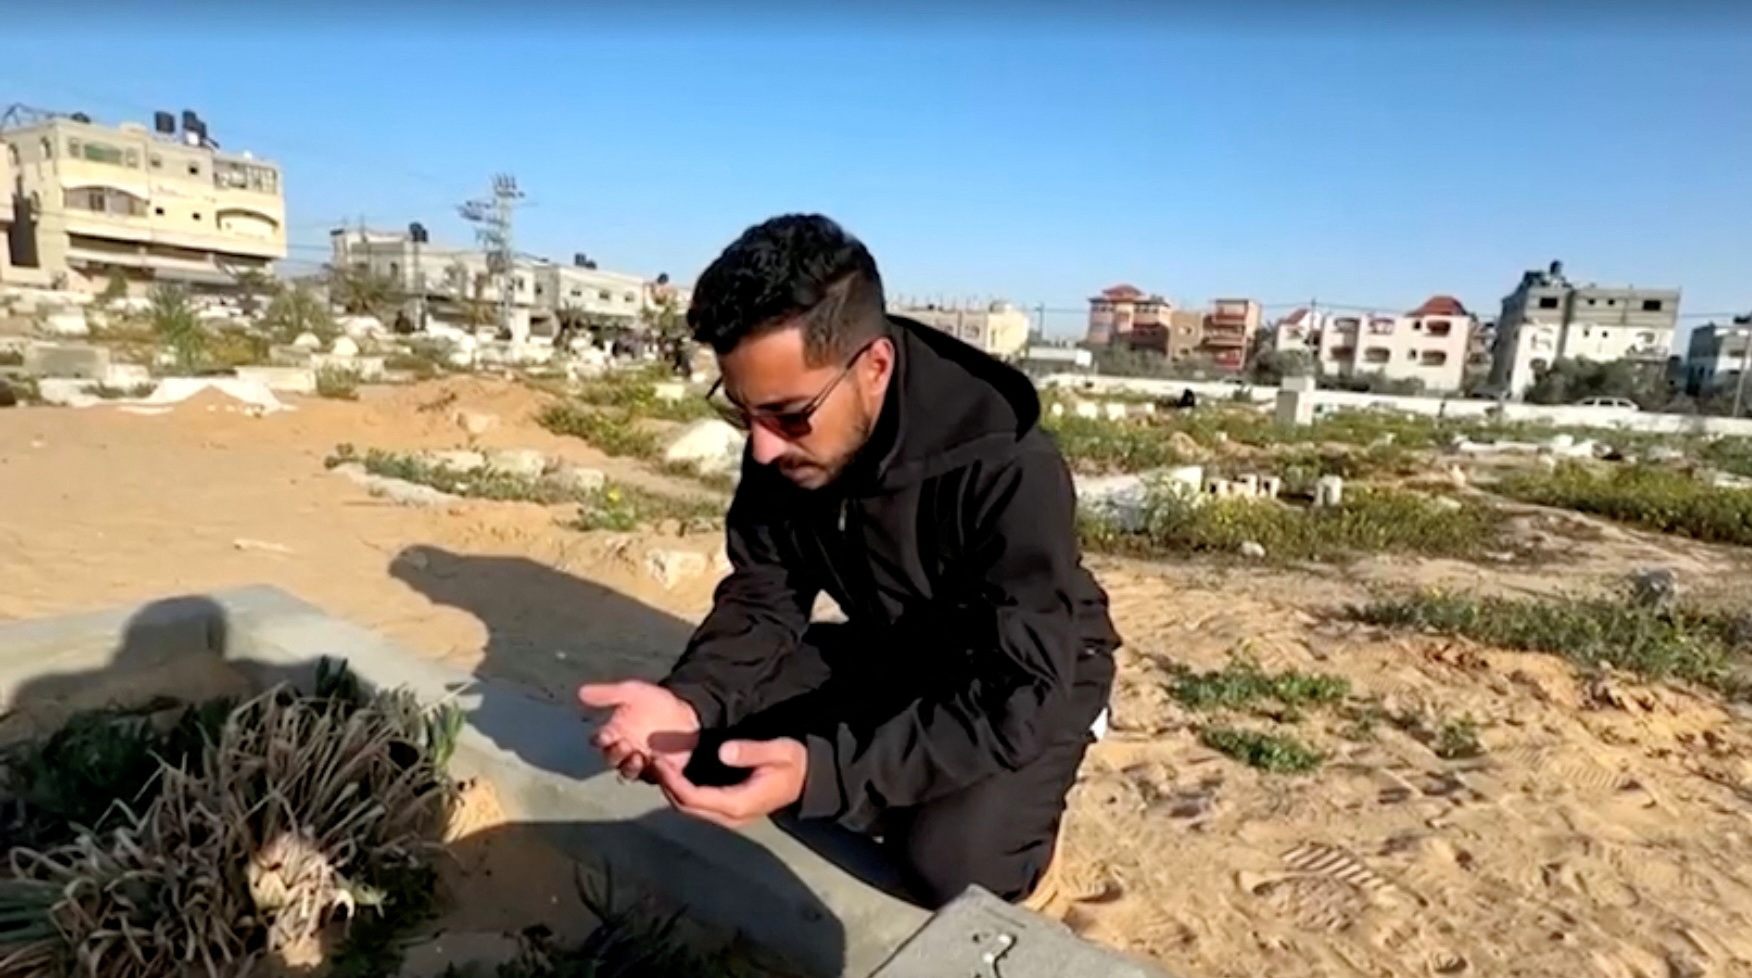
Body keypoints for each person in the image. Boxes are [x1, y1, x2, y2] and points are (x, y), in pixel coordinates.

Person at [578, 214, 1120, 911]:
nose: (765, 449)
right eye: (744, 414)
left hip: (1024, 670)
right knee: (703, 747)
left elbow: (1015, 691)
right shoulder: (786, 433)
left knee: (953, 869)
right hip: (896, 642)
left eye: (788, 416)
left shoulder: (1011, 466)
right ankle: (899, 773)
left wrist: (822, 771)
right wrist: (689, 697)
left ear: (875, 366)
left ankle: (1028, 810)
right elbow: (764, 596)